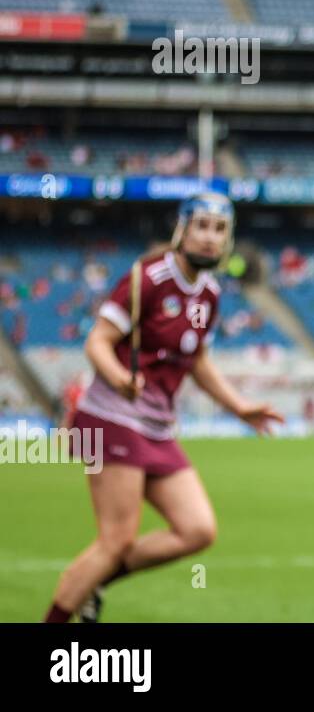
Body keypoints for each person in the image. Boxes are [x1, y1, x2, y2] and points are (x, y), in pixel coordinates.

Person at [43, 193, 284, 623]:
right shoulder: (147, 278)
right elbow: (97, 341)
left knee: (197, 530)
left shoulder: (209, 294)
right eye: (202, 227)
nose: (210, 238)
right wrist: (119, 378)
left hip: (156, 428)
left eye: (220, 229)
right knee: (115, 539)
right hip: (112, 419)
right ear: (183, 230)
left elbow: (198, 362)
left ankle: (94, 580)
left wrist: (239, 407)